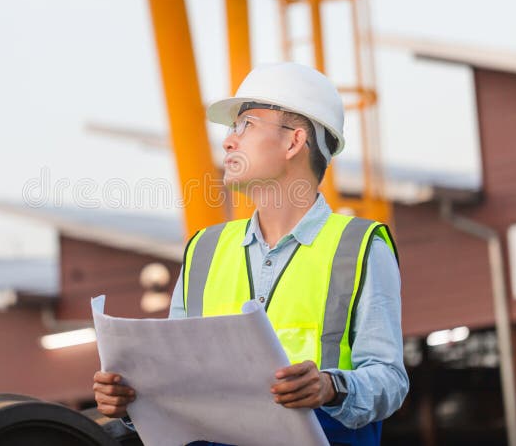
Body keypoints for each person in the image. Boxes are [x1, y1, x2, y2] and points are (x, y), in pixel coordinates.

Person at [94, 62, 409, 446]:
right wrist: (131, 401)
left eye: (246, 125)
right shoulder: (204, 251)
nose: (229, 141)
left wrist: (330, 387)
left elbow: (389, 379)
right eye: (232, 129)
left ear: (294, 142)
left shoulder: (359, 247)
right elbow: (175, 381)